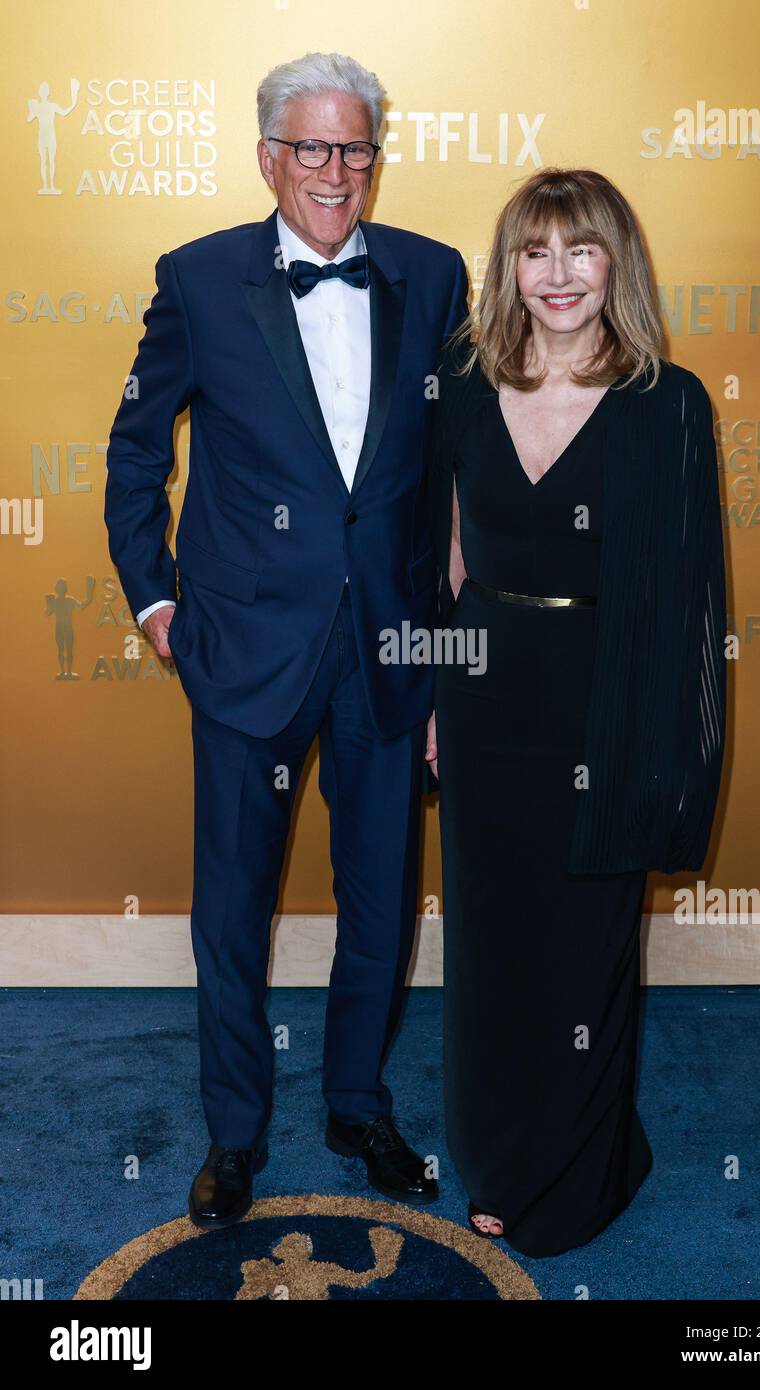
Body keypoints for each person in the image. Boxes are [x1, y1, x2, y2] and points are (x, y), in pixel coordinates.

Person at [104, 51, 468, 1230]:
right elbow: (133, 449)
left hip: (389, 649)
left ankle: (357, 1107)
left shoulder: (433, 274)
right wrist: (155, 602)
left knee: (380, 903)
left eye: (353, 147)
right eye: (309, 147)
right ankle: (233, 1134)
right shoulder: (201, 280)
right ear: (268, 156)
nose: (333, 171)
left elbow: (455, 474)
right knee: (233, 911)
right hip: (245, 647)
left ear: (374, 155)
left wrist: (452, 649)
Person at [425, 168, 727, 1257]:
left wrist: (665, 753)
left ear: (615, 264)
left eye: (580, 250)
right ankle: (500, 1153)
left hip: (604, 705)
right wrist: (430, 695)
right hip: (482, 699)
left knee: (584, 949)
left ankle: (580, 1168)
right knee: (495, 950)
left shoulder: (664, 400)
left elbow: (689, 595)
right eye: (534, 252)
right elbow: (446, 558)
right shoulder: (461, 380)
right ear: (509, 266)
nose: (556, 276)